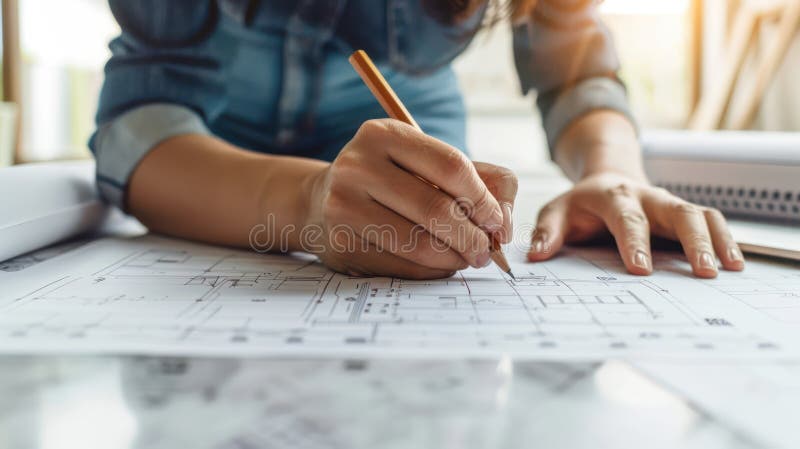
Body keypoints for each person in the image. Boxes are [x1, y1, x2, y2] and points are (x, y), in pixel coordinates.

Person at [91, 0, 745, 279]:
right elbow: (139, 122)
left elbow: (576, 73)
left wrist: (612, 170)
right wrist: (302, 202)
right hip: (208, 172)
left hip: (415, 149)